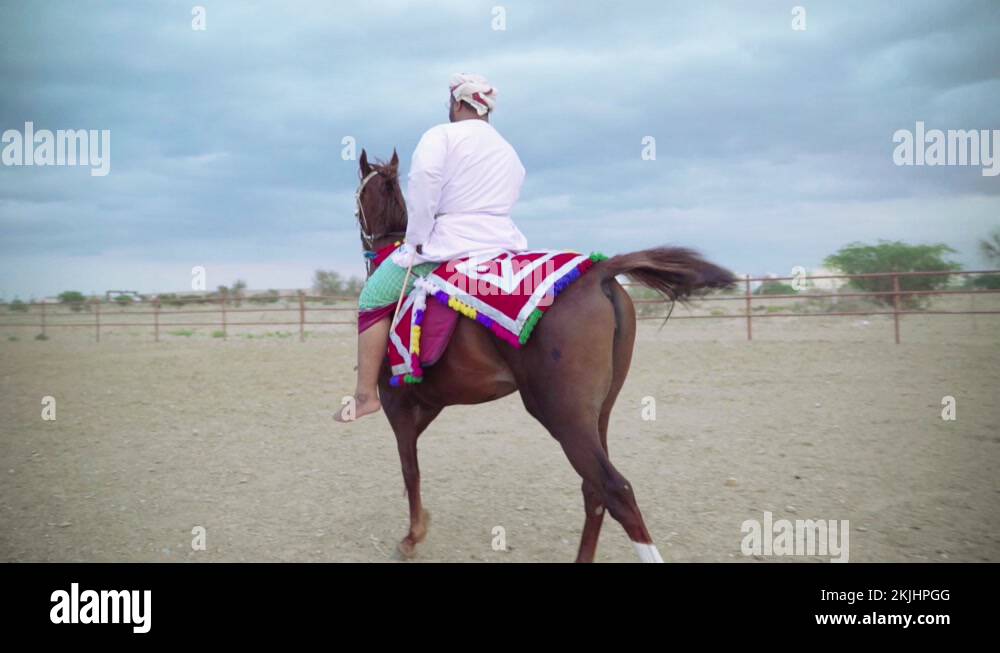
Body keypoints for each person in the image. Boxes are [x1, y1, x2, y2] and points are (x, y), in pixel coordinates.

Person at [336, 73, 528, 422]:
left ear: (457, 104)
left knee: (372, 297)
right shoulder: (509, 151)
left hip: (449, 245)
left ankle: (365, 395)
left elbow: (424, 187)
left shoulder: (440, 135)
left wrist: (416, 240)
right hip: (502, 248)